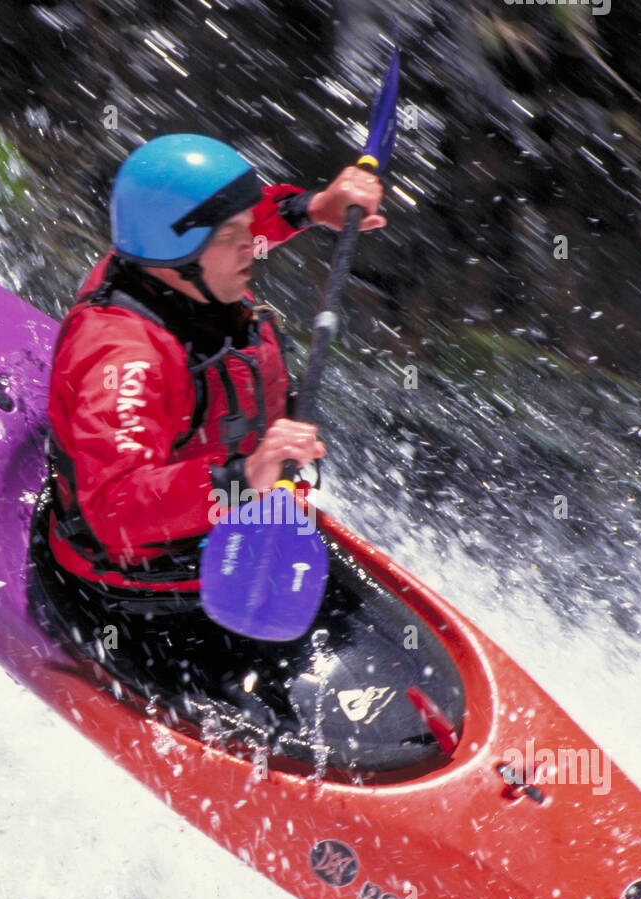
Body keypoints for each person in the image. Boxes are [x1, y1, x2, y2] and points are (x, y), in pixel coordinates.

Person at [32, 133, 413, 764]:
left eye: (247, 229)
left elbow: (244, 224)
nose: (252, 248)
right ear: (180, 253)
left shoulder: (176, 263)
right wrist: (245, 475)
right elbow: (116, 511)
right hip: (140, 596)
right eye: (234, 237)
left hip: (231, 537)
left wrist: (313, 206)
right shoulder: (124, 359)